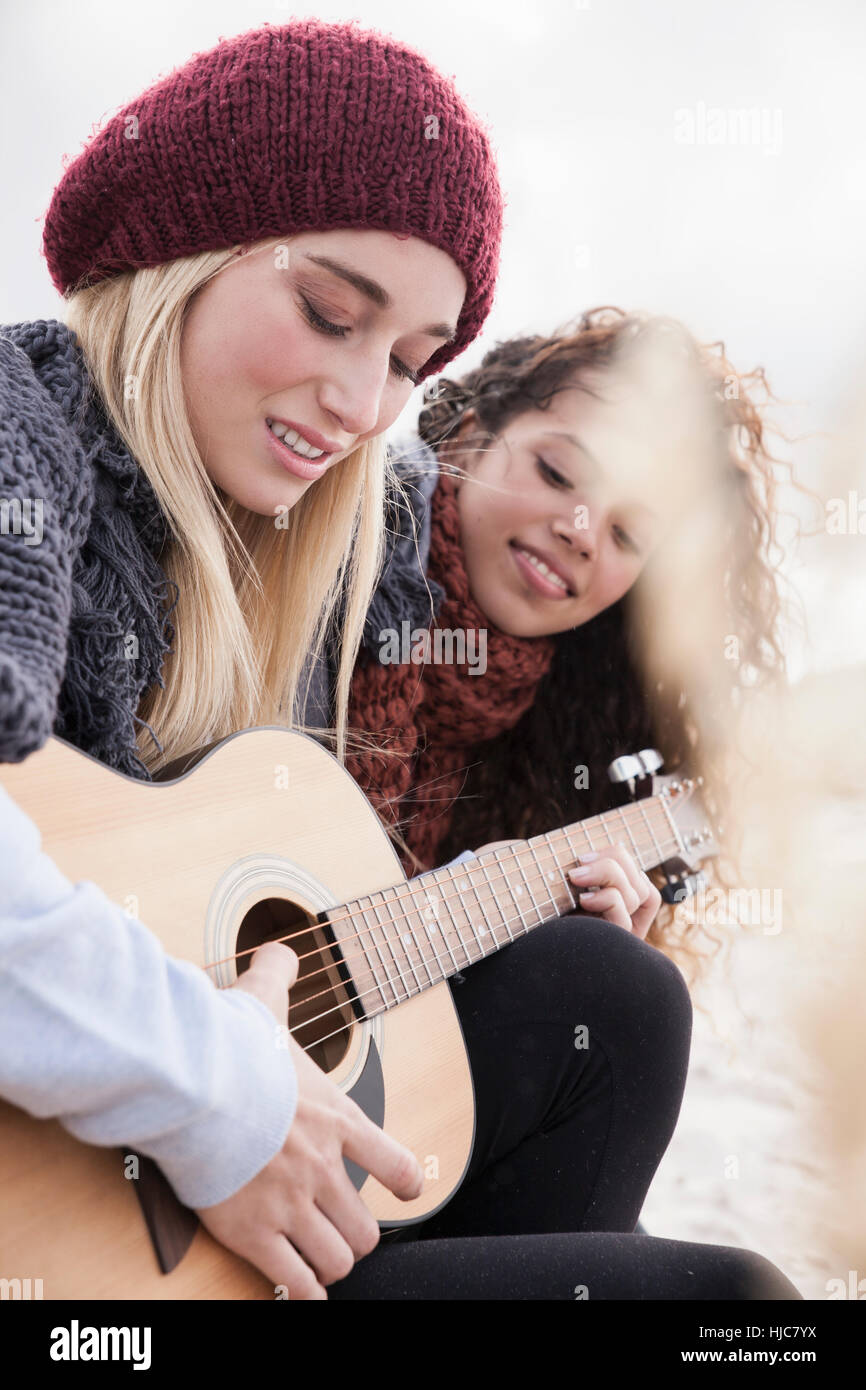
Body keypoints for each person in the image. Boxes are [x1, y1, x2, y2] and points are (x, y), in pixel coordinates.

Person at [0, 20, 800, 1299]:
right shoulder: (21, 432)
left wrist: (527, 892)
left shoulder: (296, 550)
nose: (366, 404)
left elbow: (290, 921)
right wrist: (220, 1095)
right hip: (79, 1257)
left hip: (198, 1190)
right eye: (328, 312)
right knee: (736, 1309)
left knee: (618, 995)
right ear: (179, 247)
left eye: (408, 362)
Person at [341, 309, 791, 980]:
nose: (582, 533)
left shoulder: (564, 736)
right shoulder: (327, 556)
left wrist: (571, 961)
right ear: (469, 440)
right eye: (557, 473)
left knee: (629, 988)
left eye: (627, 535)